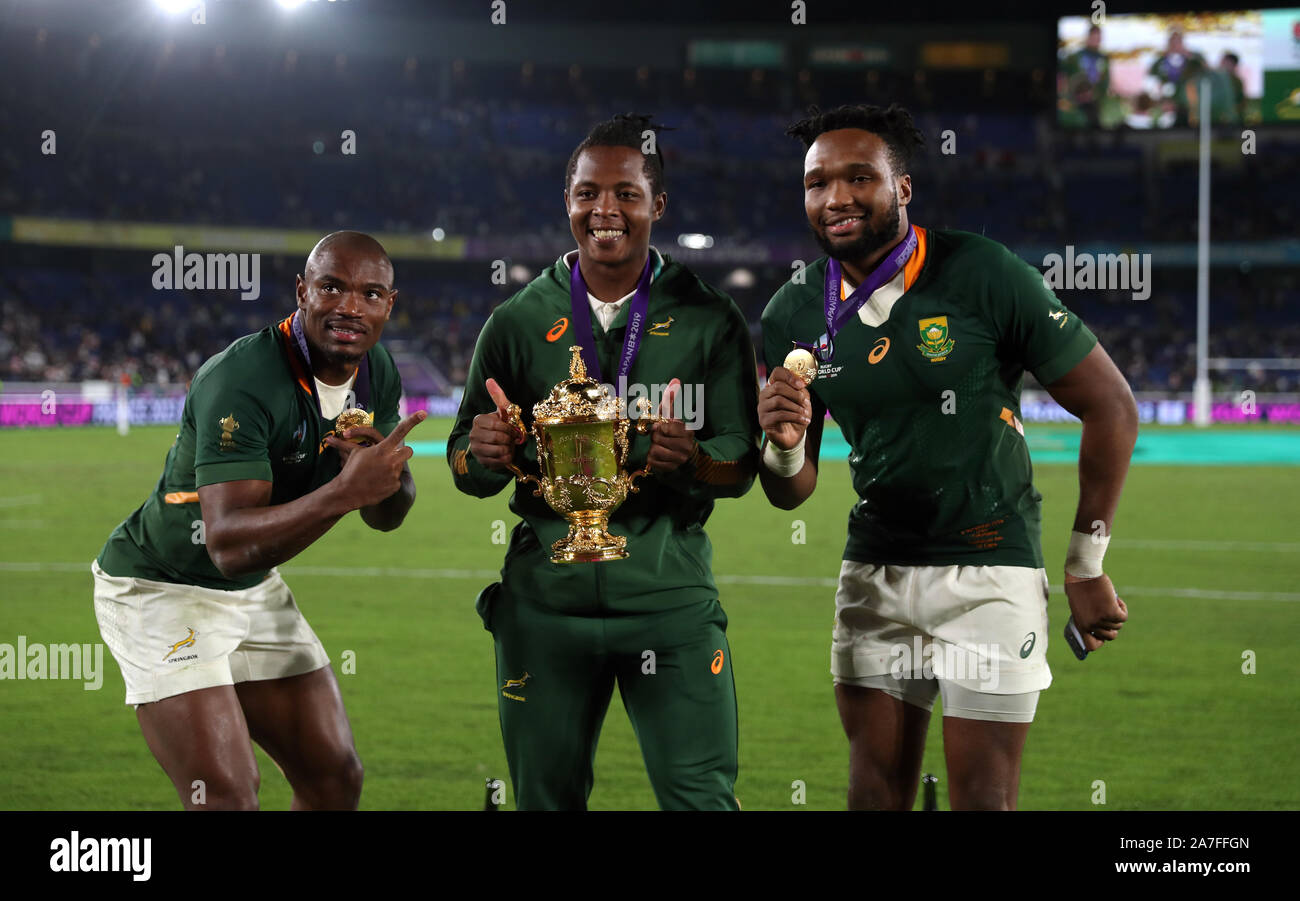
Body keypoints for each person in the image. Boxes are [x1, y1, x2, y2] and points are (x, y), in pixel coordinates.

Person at [758, 104, 1137, 810]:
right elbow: (792, 488)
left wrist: (1087, 562)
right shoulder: (791, 312)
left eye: (858, 177)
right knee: (872, 795)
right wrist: (781, 449)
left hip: (991, 568)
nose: (835, 197)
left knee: (983, 800)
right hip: (875, 571)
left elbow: (1111, 406)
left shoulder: (981, 272)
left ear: (903, 188)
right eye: (816, 183)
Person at [448, 114, 761, 810]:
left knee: (702, 800)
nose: (605, 211)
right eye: (588, 193)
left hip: (668, 602)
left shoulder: (711, 320)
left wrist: (695, 462)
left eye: (625, 193)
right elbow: (464, 465)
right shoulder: (515, 322)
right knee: (544, 802)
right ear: (567, 201)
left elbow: (743, 466)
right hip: (544, 609)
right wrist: (486, 454)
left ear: (658, 206)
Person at [91, 231, 427, 810]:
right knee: (226, 794)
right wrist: (344, 493)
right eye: (331, 287)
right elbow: (225, 542)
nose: (350, 307)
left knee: (334, 778)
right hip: (164, 586)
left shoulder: (376, 372)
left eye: (371, 294)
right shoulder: (243, 377)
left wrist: (387, 481)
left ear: (389, 305)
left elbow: (385, 515)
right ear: (301, 292)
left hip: (252, 589)